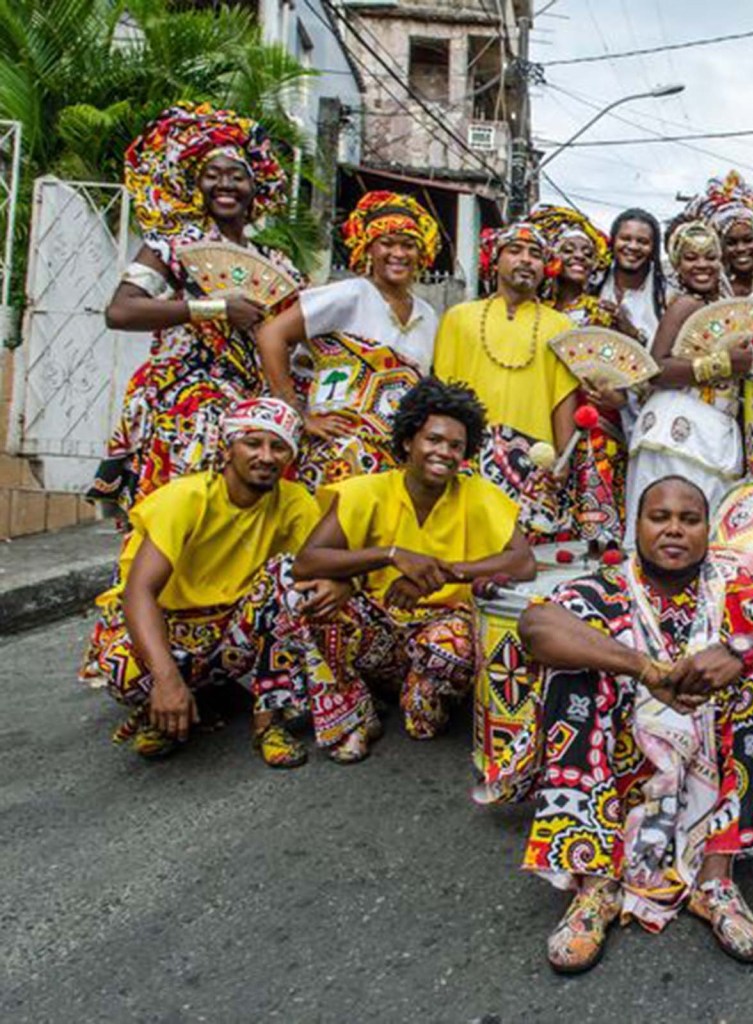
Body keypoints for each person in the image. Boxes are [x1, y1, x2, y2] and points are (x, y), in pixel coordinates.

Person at [518, 476, 753, 973]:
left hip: (710, 746)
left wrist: (740, 652)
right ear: (636, 527)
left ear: (708, 531)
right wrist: (642, 669)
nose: (674, 530)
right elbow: (536, 626)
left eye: (689, 520)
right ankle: (596, 881)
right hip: (623, 753)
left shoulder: (734, 586)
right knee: (573, 675)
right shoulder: (604, 588)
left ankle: (715, 880)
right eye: (659, 517)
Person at [79, 398, 343, 767]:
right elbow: (139, 592)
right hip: (170, 628)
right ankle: (182, 698)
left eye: (279, 447)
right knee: (123, 670)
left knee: (291, 577)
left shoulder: (295, 502)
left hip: (230, 630)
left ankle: (268, 722)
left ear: (290, 457)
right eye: (253, 443)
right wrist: (167, 680)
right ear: (228, 448)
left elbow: (318, 568)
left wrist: (335, 584)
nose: (266, 457)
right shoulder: (185, 498)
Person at [292, 378, 535, 761]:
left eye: (455, 446)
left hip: (442, 628)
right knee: (306, 594)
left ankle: (413, 696)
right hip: (380, 626)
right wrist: (389, 555)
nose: (444, 452)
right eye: (433, 440)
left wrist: (437, 574)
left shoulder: (478, 493)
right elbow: (306, 561)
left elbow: (523, 561)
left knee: (425, 714)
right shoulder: (367, 491)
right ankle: (352, 716)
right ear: (408, 441)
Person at [90, 103, 301, 521]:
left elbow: (299, 327)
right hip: (184, 399)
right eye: (212, 175)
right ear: (195, 184)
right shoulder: (171, 246)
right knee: (179, 514)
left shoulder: (275, 261)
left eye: (237, 176)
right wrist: (215, 309)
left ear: (255, 186)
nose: (225, 184)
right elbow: (121, 311)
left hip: (251, 403)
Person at [255, 191, 442, 490]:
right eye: (387, 243)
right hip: (337, 454)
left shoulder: (428, 316)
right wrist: (298, 413)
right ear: (368, 248)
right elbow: (271, 335)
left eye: (408, 245)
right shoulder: (350, 294)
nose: (398, 253)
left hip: (394, 463)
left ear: (422, 252)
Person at [434, 222, 579, 538]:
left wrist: (563, 460)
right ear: (494, 261)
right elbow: (442, 393)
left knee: (525, 552)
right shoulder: (459, 317)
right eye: (515, 251)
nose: (526, 259)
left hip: (534, 459)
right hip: (468, 452)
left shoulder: (562, 326)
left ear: (546, 268)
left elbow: (564, 397)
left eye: (535, 254)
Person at [624, 221, 753, 541]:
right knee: (678, 517)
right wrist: (723, 364)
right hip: (679, 428)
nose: (702, 265)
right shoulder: (686, 304)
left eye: (710, 257)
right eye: (691, 258)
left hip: (712, 425)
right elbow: (656, 369)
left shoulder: (719, 307)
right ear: (677, 266)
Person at [529, 205, 637, 549]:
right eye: (569, 249)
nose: (579, 257)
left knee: (596, 518)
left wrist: (614, 398)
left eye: (587, 253)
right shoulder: (535, 312)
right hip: (542, 418)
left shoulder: (602, 312)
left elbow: (625, 374)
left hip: (594, 425)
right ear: (551, 256)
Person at [685, 170, 753, 298]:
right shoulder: (705, 292)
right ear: (719, 247)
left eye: (748, 240)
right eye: (731, 243)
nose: (741, 248)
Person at [595, 208, 667, 346]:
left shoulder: (667, 296)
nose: (633, 247)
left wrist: (633, 333)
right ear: (613, 242)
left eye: (643, 241)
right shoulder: (593, 284)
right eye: (625, 239)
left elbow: (668, 352)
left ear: (654, 249)